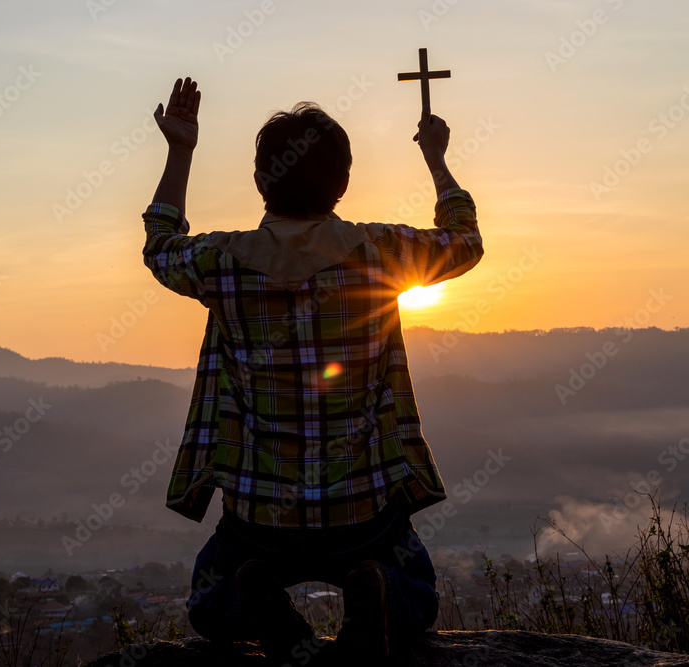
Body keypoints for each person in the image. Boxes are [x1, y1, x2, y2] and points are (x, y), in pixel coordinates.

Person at [142, 76, 483, 665]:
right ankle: (372, 588)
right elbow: (465, 241)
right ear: (344, 181)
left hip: (259, 517)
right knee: (419, 596)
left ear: (258, 180)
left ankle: (264, 605)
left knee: (208, 605)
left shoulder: (220, 261)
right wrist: (436, 158)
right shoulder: (379, 252)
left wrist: (180, 149)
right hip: (363, 514)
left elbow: (160, 243)